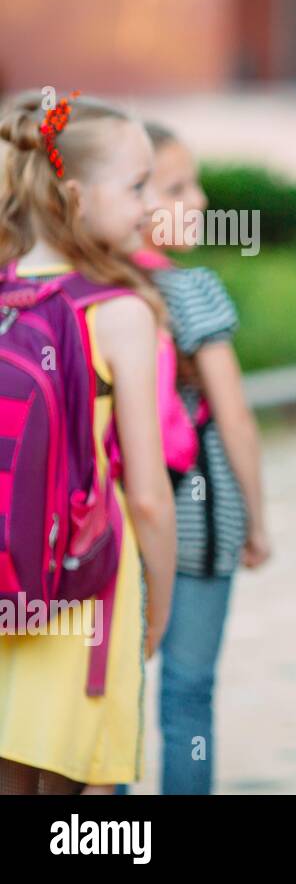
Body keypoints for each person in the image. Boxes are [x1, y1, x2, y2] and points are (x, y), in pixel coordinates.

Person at [0, 93, 177, 794]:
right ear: (73, 196)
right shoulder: (121, 312)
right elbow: (149, 498)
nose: (148, 206)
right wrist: (156, 611)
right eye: (136, 186)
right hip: (87, 592)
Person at [127, 121, 270, 794]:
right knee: (188, 693)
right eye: (177, 186)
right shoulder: (193, 290)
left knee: (111, 696)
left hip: (106, 521)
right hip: (198, 513)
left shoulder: (83, 290)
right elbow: (235, 419)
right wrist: (259, 520)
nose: (203, 201)